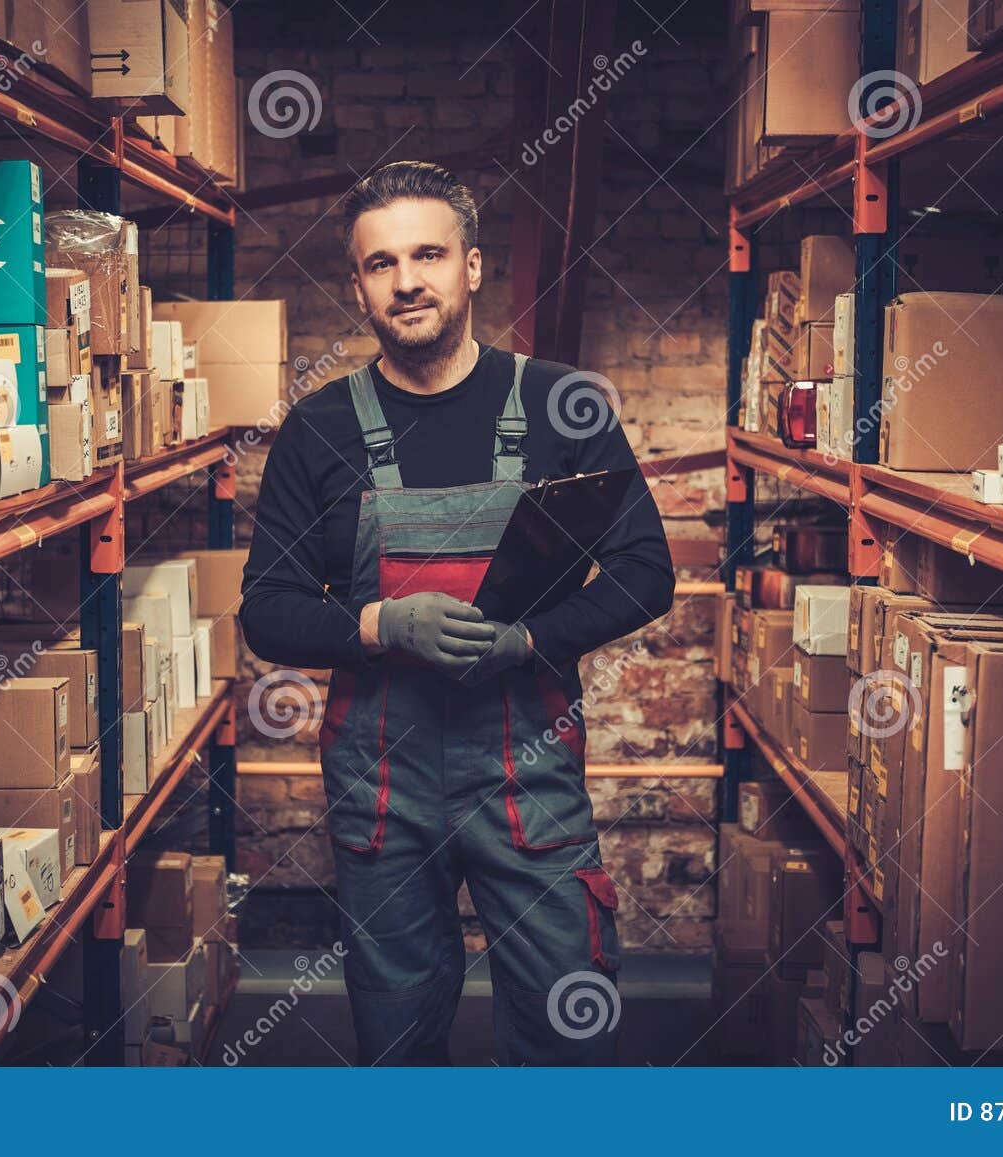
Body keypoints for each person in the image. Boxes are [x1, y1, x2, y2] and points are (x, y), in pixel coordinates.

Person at [238, 161, 674, 1065]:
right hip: (383, 785)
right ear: (357, 284)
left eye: (429, 254)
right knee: (395, 1038)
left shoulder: (563, 404)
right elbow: (266, 610)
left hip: (527, 771)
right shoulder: (317, 429)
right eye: (381, 263)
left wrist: (527, 641)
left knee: (568, 1020)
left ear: (472, 266)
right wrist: (376, 627)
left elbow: (645, 572)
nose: (407, 281)